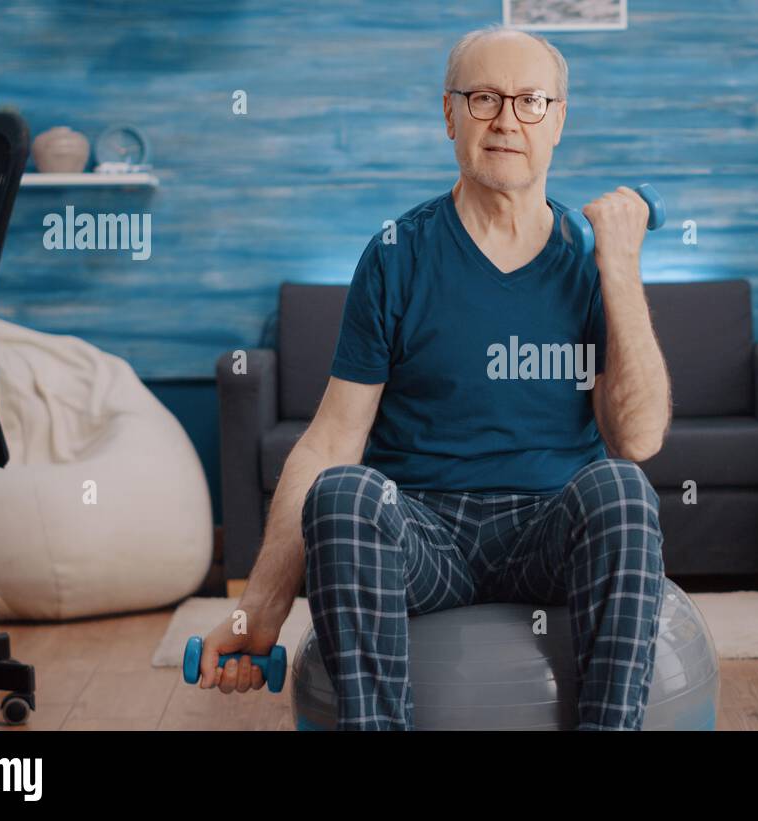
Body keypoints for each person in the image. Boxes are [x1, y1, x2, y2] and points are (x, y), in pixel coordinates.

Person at [199, 25, 672, 730]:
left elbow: (637, 437)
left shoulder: (590, 259)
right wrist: (257, 605)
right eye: (484, 98)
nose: (508, 119)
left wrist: (620, 266)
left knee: (623, 488)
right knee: (341, 492)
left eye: (531, 101)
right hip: (425, 531)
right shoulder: (396, 254)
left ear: (559, 119)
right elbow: (331, 441)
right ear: (449, 114)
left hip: (549, 526)